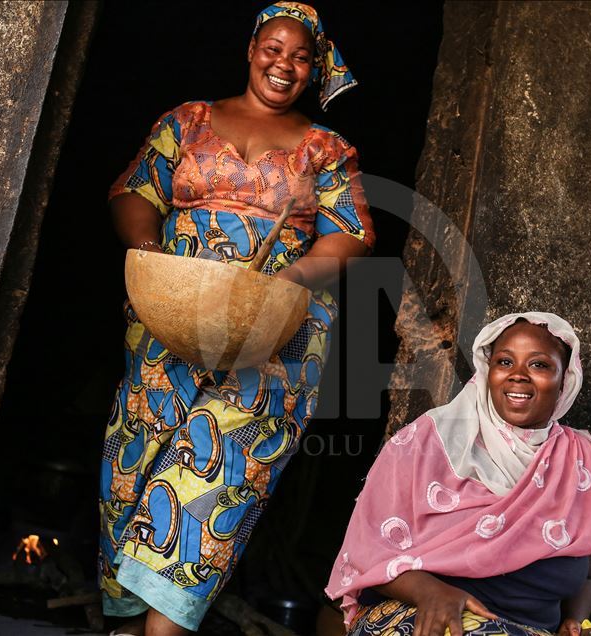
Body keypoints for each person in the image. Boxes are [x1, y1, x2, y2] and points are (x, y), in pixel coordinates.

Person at [98, 4, 372, 634]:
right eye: (274, 48)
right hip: (170, 317)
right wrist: (153, 255)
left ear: (314, 68)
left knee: (216, 467)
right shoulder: (187, 121)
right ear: (252, 48)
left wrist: (279, 286)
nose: (284, 64)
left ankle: (161, 629)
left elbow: (351, 234)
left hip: (271, 334)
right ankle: (125, 618)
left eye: (301, 56)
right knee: (135, 461)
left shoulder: (325, 148)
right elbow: (134, 192)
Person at [325, 313, 591, 636]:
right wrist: (432, 592)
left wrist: (574, 621)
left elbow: (587, 574)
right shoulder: (427, 443)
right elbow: (365, 551)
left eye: (539, 365)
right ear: (488, 372)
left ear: (565, 382)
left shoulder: (579, 461)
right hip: (424, 613)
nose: (518, 376)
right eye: (504, 362)